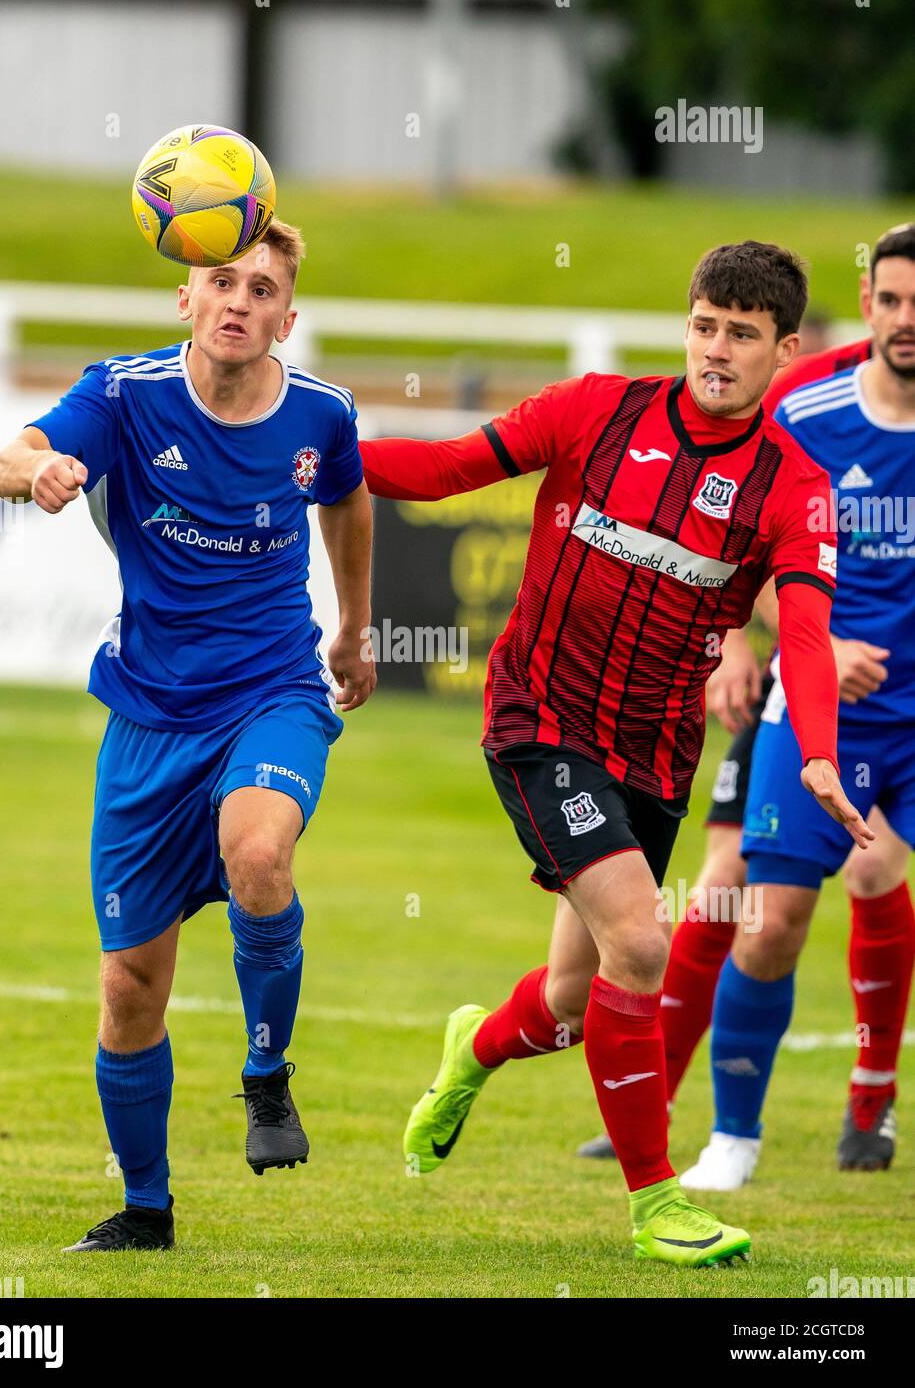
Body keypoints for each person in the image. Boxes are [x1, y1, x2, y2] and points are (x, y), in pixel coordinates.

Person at [361, 240, 871, 1266]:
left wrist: (814, 748)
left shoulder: (794, 487)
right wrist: (313, 449)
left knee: (567, 1005)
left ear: (784, 350)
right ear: (685, 322)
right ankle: (657, 1205)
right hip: (538, 720)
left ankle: (474, 1046)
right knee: (641, 945)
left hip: (653, 753)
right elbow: (449, 466)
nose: (716, 350)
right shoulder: (596, 409)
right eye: (704, 325)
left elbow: (808, 636)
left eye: (742, 335)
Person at [0, 221, 375, 1251]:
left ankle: (265, 1075)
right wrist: (37, 473)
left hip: (275, 693)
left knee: (259, 853)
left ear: (288, 316)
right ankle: (146, 1210)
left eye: (261, 286)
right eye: (220, 281)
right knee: (126, 989)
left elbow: (349, 499)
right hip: (150, 717)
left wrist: (355, 628)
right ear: (186, 300)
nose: (238, 300)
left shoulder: (321, 414)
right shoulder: (126, 396)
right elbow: (11, 454)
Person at [682, 223, 915, 1190]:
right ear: (865, 302)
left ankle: (871, 1091)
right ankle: (731, 1138)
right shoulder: (801, 406)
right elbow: (732, 539)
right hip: (821, 711)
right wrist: (763, 642)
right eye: (892, 301)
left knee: (872, 883)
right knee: (763, 918)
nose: (907, 323)